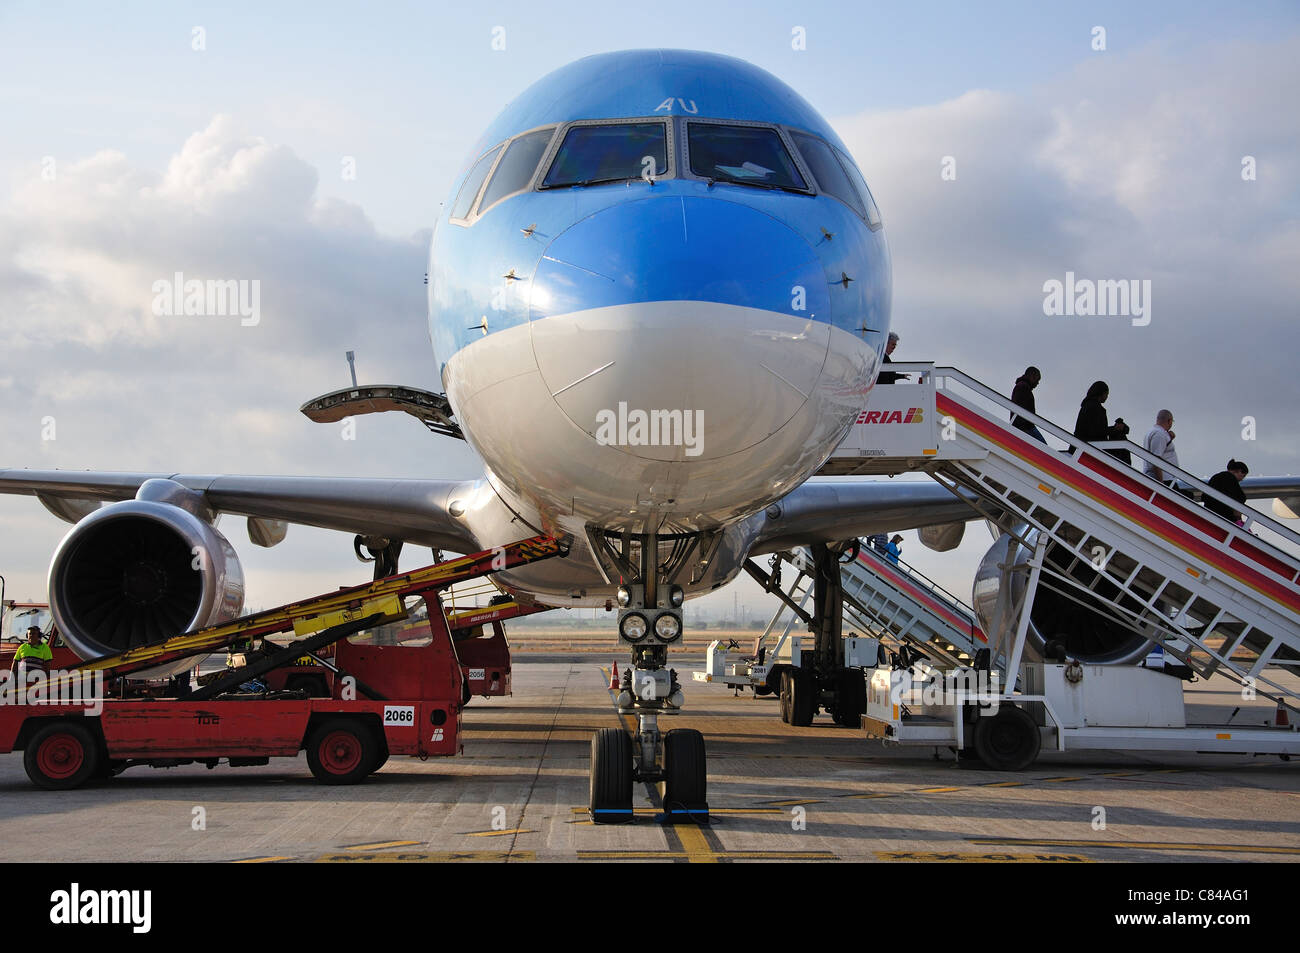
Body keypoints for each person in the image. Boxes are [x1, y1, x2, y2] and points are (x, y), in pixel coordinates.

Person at [1073, 381, 1130, 463]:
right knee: (1120, 440)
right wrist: (1115, 429)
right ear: (1102, 393)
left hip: (1082, 446)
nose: (1107, 396)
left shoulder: (1087, 405)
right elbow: (1096, 432)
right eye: (1107, 394)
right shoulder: (1095, 407)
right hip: (1090, 448)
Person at [1204, 459, 1249, 524]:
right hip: (1223, 515)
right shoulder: (1230, 479)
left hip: (1210, 512)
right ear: (1239, 471)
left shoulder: (1217, 477)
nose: (1242, 479)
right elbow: (1239, 498)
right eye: (1243, 476)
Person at [1142, 410, 1179, 483]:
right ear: (1169, 421)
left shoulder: (1154, 432)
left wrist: (1169, 439)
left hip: (1163, 478)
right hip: (1165, 479)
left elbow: (1161, 450)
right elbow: (1156, 459)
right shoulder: (1159, 434)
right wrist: (1160, 483)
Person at [1010, 366, 1045, 442]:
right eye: (1037, 379)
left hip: (1024, 426)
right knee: (1044, 447)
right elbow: (1020, 408)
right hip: (1026, 427)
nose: (1037, 383)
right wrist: (1023, 429)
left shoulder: (1022, 386)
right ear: (1032, 376)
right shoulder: (1023, 387)